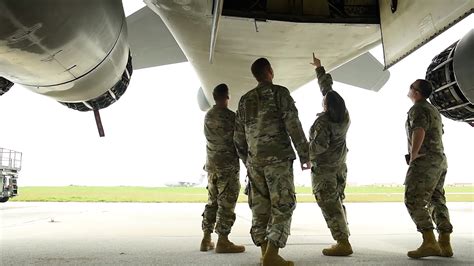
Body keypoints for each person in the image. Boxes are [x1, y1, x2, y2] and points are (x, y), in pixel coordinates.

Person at [234, 58, 311, 266]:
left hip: (254, 163)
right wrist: (305, 154)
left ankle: (264, 252)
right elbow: (293, 124)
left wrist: (247, 160)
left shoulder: (244, 100)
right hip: (277, 160)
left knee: (260, 207)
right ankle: (272, 254)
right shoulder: (280, 93)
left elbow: (238, 137)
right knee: (283, 204)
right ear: (269, 71)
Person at [309, 54, 353, 256]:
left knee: (330, 205)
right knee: (338, 201)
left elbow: (318, 147)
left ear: (326, 106)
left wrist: (303, 153)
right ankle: (344, 236)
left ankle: (343, 242)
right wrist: (319, 69)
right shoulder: (344, 117)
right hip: (340, 167)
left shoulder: (324, 123)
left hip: (325, 171)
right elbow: (328, 91)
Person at [404, 79, 453, 258]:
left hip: (425, 162)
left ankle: (429, 241)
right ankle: (445, 243)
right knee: (436, 199)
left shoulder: (418, 109)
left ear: (416, 93)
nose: (409, 89)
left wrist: (414, 153)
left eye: (411, 87)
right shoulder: (434, 110)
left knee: (413, 199)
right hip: (439, 161)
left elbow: (419, 130)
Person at [200, 83, 245, 254]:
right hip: (228, 167)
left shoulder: (208, 116)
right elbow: (239, 141)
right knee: (226, 204)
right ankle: (223, 241)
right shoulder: (231, 117)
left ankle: (206, 238)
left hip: (212, 166)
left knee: (212, 202)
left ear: (213, 96)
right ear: (227, 97)